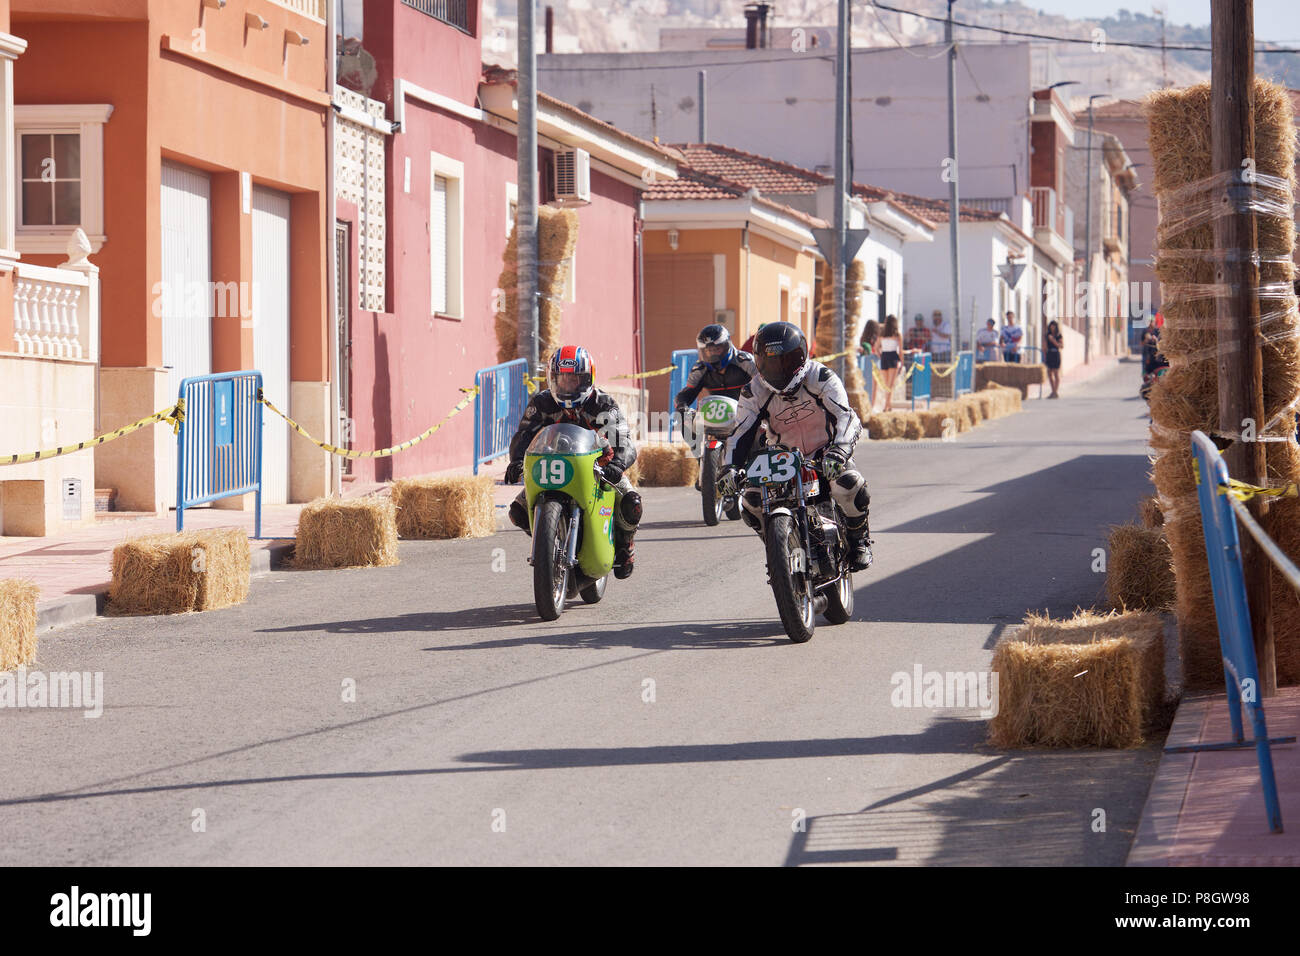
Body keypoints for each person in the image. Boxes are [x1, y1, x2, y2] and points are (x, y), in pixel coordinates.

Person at [718, 321, 873, 571]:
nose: (778, 369)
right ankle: (779, 546)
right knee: (750, 503)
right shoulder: (753, 391)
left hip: (827, 453)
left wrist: (840, 450)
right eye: (769, 363)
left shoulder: (821, 377)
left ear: (801, 356)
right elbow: (740, 433)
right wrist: (729, 468)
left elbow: (847, 416)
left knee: (850, 485)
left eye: (785, 361)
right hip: (782, 460)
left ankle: (859, 541)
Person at [504, 345, 642, 579]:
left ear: (588, 379)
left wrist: (617, 465)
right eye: (562, 378)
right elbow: (524, 434)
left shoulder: (604, 404)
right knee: (517, 512)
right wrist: (516, 461)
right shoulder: (541, 403)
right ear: (552, 378)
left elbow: (625, 441)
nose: (567, 384)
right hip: (554, 468)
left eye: (574, 379)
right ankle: (550, 542)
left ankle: (625, 545)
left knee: (632, 503)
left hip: (599, 469)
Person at [877, 314, 902, 412]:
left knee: (886, 384)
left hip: (884, 356)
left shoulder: (882, 334)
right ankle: (886, 406)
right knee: (890, 384)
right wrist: (902, 362)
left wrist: (881, 356)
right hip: (893, 357)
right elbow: (900, 351)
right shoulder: (897, 334)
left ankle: (888, 405)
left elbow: (876, 347)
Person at [1044, 319, 1064, 398]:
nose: (1052, 328)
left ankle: (1055, 392)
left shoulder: (1058, 335)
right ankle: (1053, 391)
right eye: (1051, 327)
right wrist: (1045, 356)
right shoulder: (1047, 335)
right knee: (1049, 373)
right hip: (1049, 354)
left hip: (1056, 354)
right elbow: (1045, 347)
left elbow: (1062, 346)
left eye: (1054, 327)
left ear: (1056, 327)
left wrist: (1053, 341)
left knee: (1056, 373)